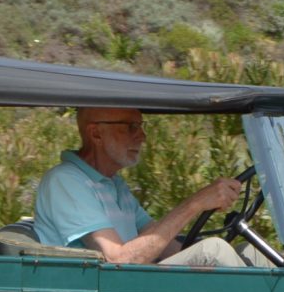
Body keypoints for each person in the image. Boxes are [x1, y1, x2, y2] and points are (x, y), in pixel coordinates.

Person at [32, 109, 250, 266]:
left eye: (141, 126)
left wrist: (194, 256)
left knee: (249, 252)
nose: (142, 137)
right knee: (213, 251)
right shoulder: (66, 181)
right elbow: (118, 261)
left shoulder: (114, 184)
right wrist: (195, 204)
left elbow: (163, 245)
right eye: (130, 127)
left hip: (130, 286)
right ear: (96, 133)